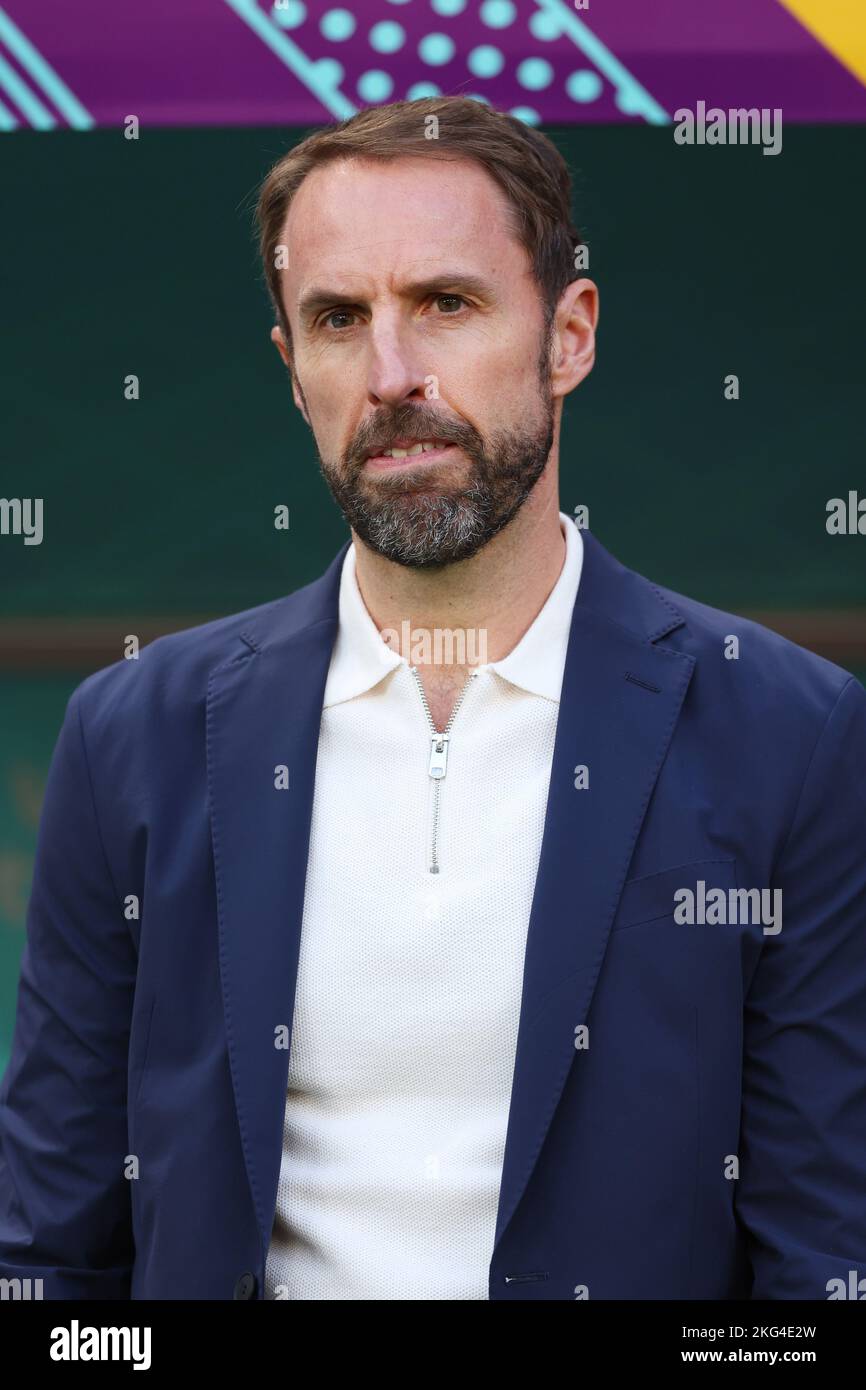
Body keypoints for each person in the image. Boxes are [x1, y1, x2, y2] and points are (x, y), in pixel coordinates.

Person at [1, 97, 864, 1301]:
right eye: (338, 319)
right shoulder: (133, 734)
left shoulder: (788, 733)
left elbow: (824, 1260)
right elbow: (47, 1254)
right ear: (290, 369)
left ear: (568, 335)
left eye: (446, 305)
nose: (392, 374)